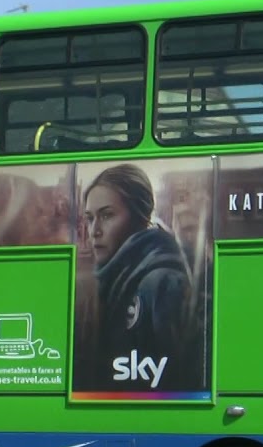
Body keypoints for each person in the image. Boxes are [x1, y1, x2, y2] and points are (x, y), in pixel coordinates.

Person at [79, 163, 200, 393]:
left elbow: (178, 379)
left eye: (107, 215)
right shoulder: (115, 278)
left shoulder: (160, 282)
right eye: (90, 218)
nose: (94, 231)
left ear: (140, 217)